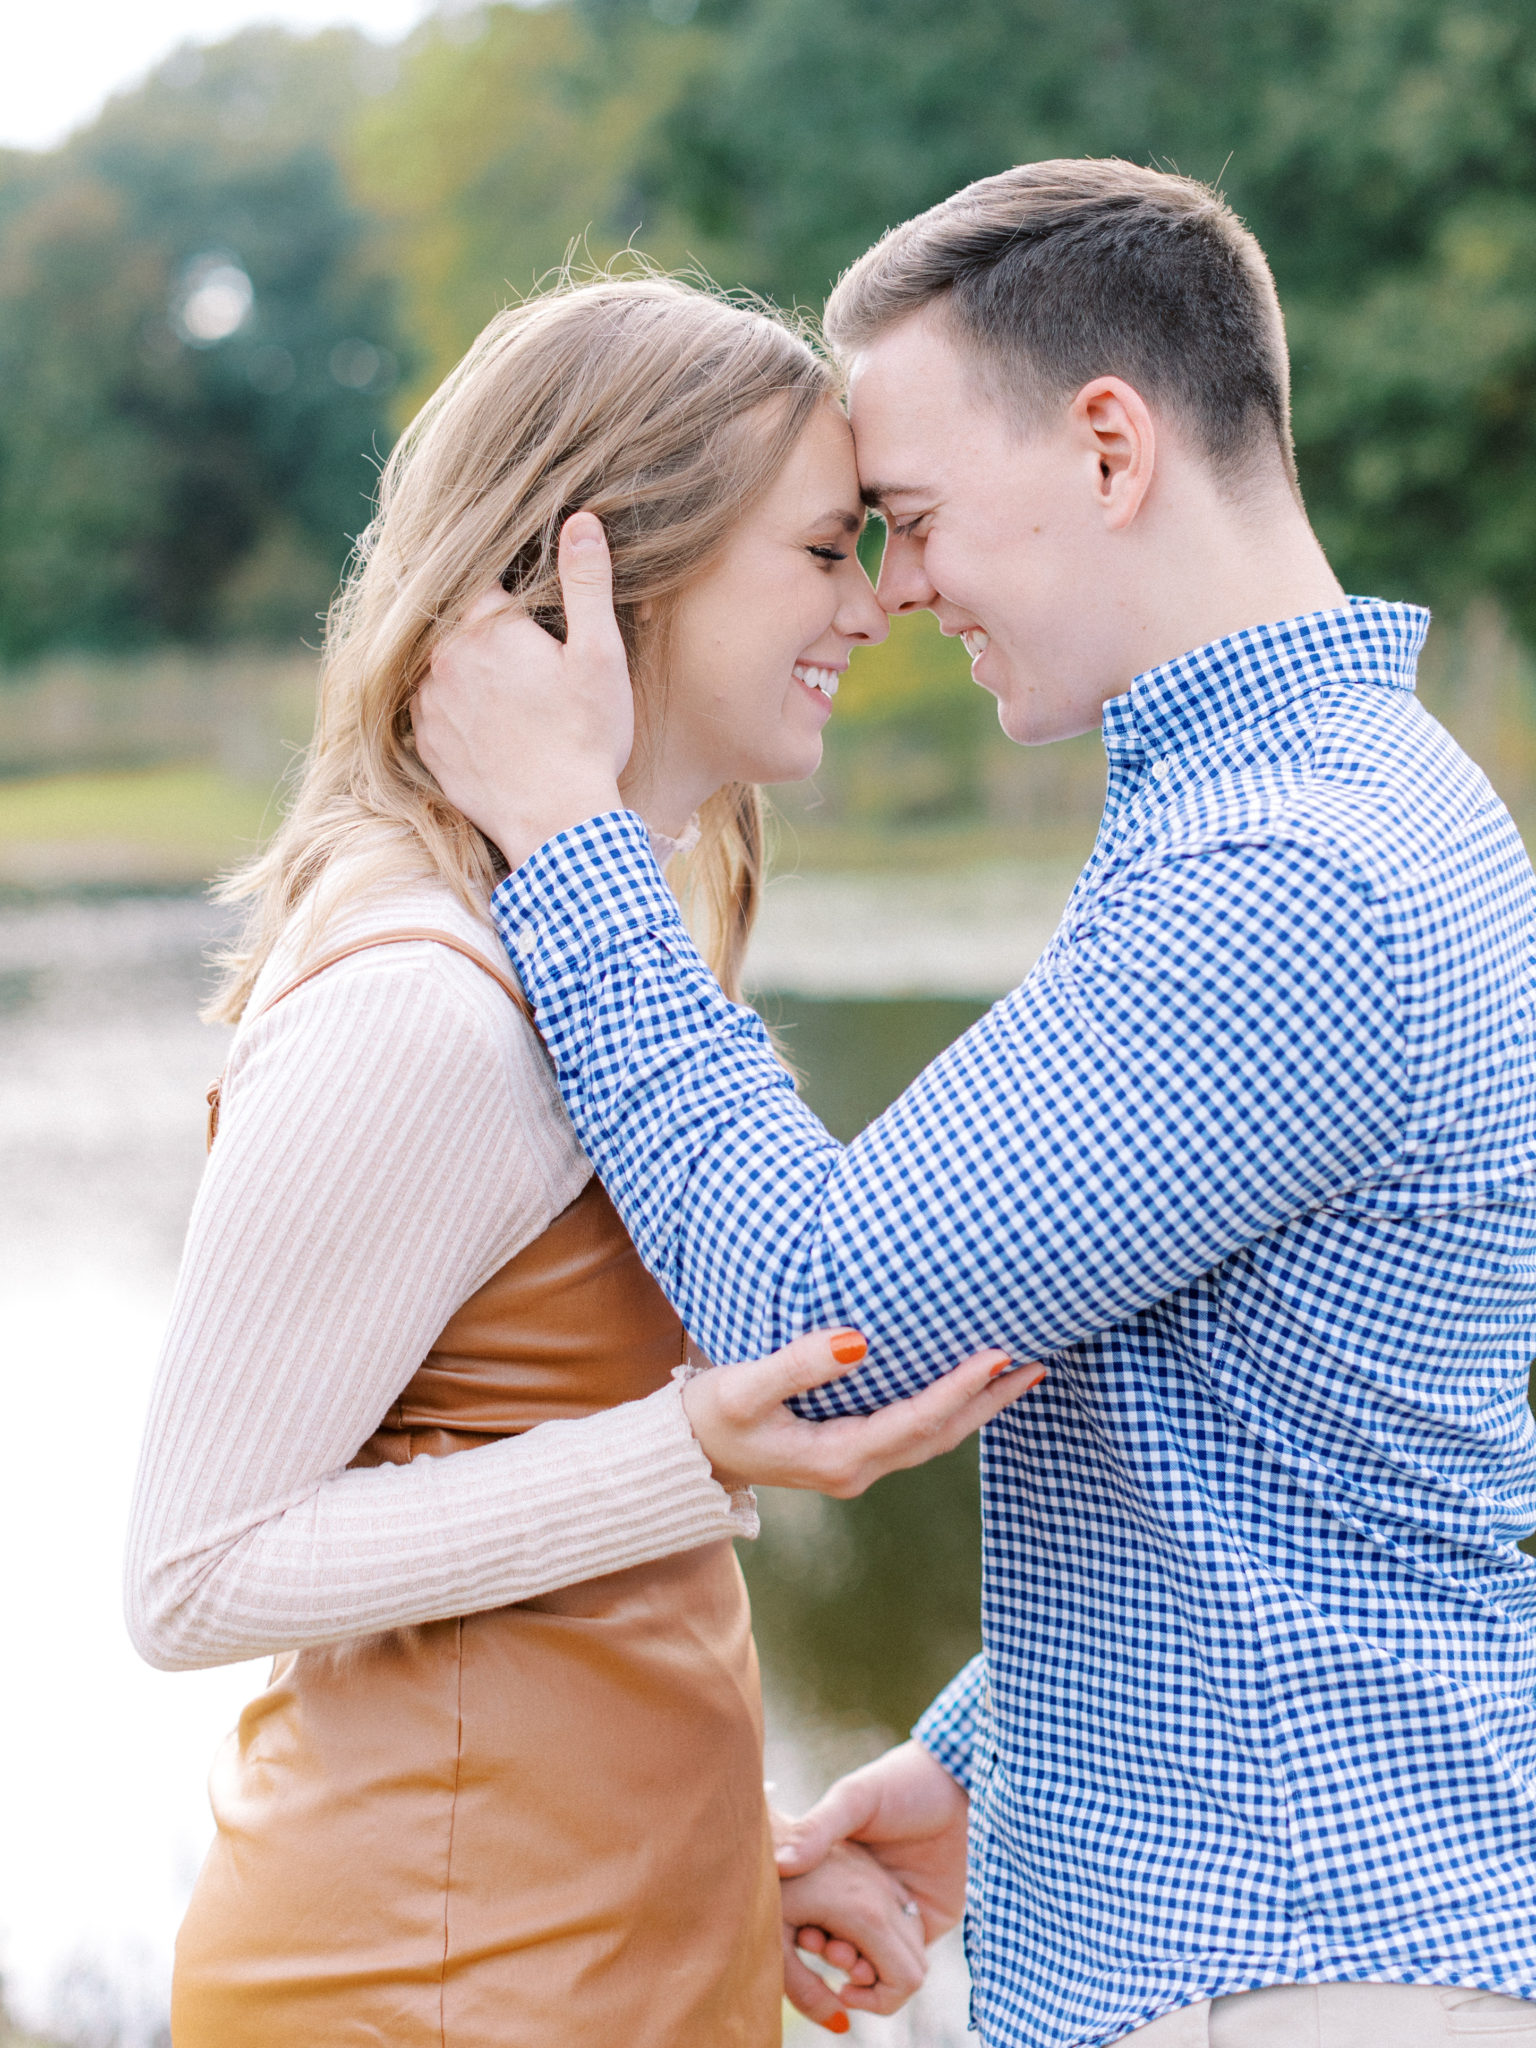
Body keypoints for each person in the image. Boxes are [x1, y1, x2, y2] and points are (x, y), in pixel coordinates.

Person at [412, 162, 1536, 2048]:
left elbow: (817, 1329)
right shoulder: (1367, 802)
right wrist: (995, 1767)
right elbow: (1315, 1464)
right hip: (1300, 1940)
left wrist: (571, 840)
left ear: (1111, 448)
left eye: (914, 519)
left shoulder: (1291, 875)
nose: (897, 585)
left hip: (1289, 1980)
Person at [123, 273, 1048, 2048]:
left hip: (591, 1952)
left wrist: (717, 1860)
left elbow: (537, 1606)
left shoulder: (580, 965)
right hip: (434, 1992)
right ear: (610, 568)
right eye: (825, 550)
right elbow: (193, 1571)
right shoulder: (422, 1004)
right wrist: (684, 1449)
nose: (875, 606)